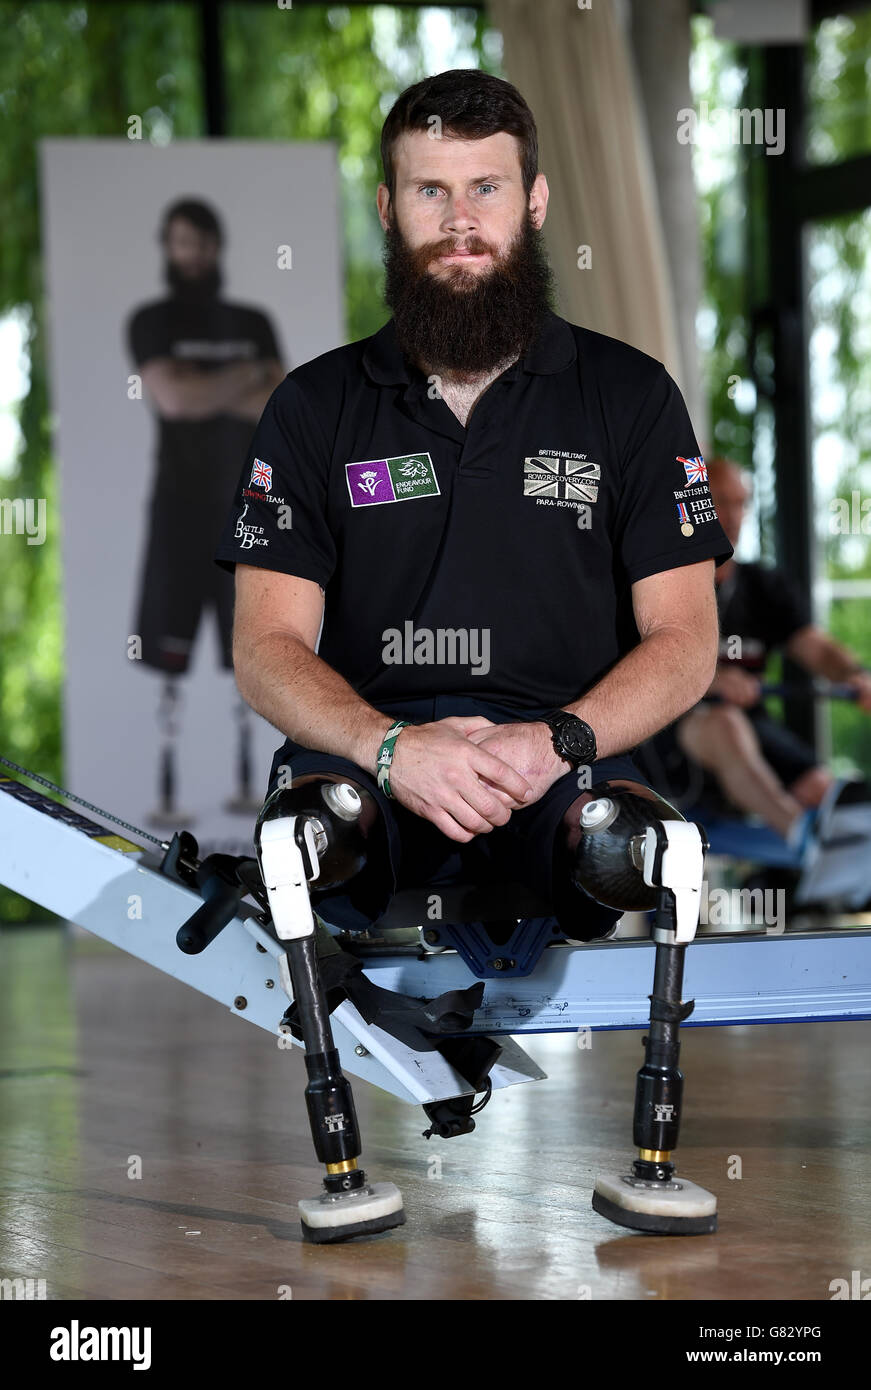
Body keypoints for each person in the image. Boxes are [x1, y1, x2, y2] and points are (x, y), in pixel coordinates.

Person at [213, 69, 731, 939]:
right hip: (366, 757)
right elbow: (265, 645)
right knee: (309, 839)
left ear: (532, 201)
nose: (460, 221)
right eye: (430, 191)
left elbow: (686, 641)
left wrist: (554, 743)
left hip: (566, 753)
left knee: (631, 850)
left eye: (485, 188)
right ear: (387, 206)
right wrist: (392, 748)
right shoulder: (313, 404)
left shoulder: (629, 394)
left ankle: (658, 1071)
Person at [636, 455, 871, 848]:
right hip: (672, 739)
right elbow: (637, 661)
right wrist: (711, 679)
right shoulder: (659, 580)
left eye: (742, 503)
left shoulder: (763, 587)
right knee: (726, 723)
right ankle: (805, 841)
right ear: (690, 505)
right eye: (720, 501)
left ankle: (834, 873)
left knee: (819, 786)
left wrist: (854, 674)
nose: (734, 515)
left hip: (752, 731)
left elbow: (815, 647)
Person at [128, 198, 286, 675]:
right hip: (178, 510)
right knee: (165, 669)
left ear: (217, 246)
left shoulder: (253, 321)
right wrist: (248, 373)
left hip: (249, 509)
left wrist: (199, 385)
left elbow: (278, 406)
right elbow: (173, 399)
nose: (192, 252)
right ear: (167, 247)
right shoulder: (151, 320)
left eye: (201, 241)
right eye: (182, 242)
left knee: (253, 662)